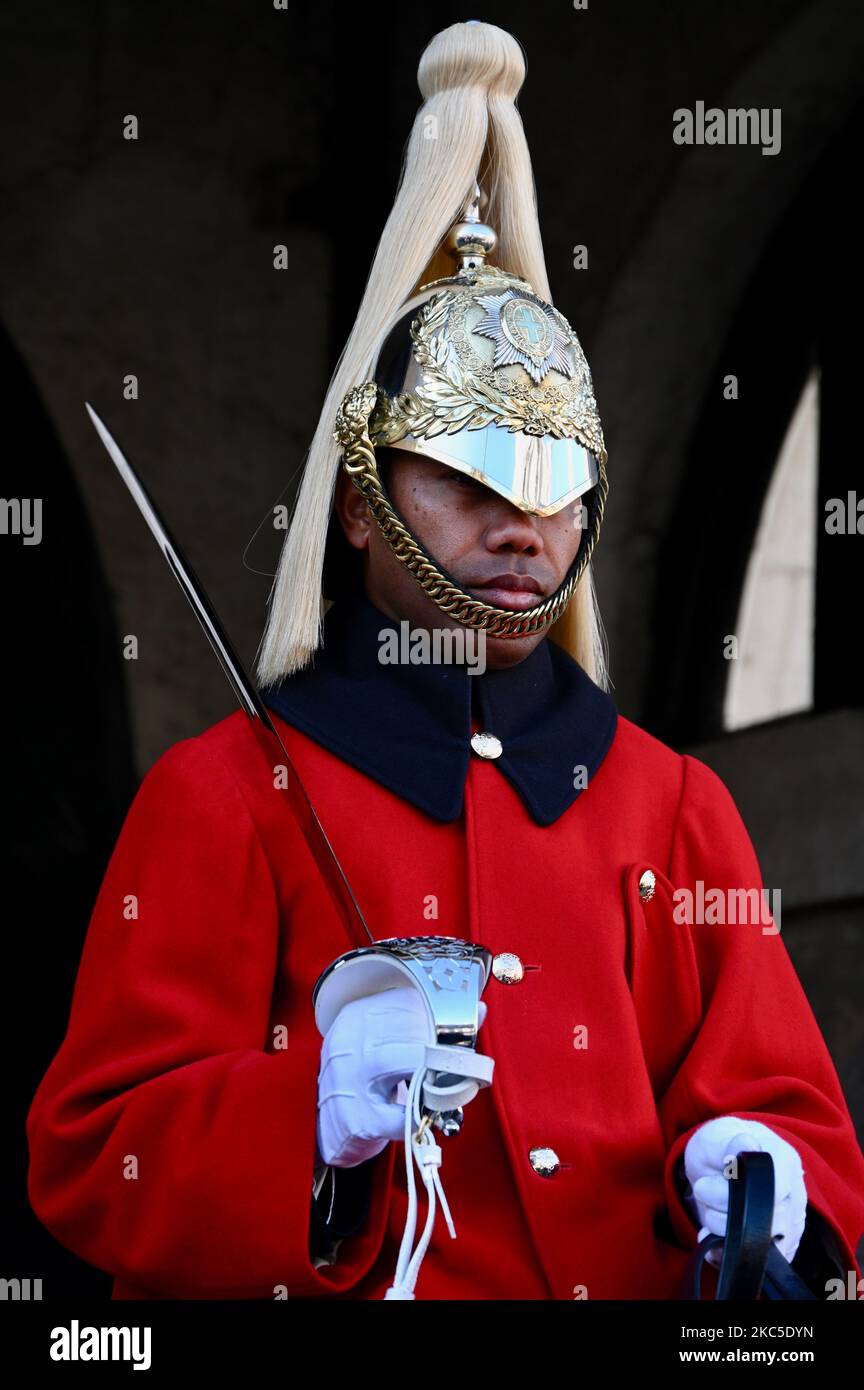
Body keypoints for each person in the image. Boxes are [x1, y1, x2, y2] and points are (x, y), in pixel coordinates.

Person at [26, 19, 864, 1302]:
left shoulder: (677, 811)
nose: (520, 523)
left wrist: (768, 1178)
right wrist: (301, 1119)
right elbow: (95, 1159)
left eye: (554, 483)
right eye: (467, 478)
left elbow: (794, 1119)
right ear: (360, 499)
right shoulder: (222, 795)